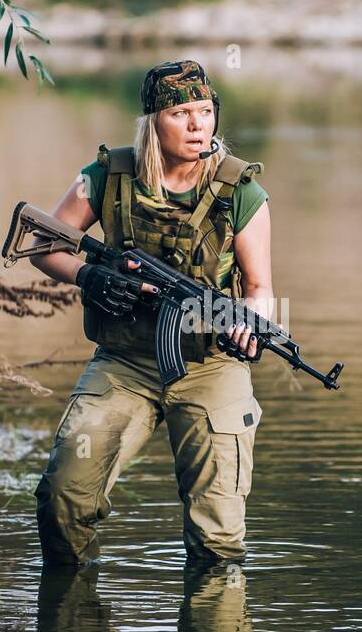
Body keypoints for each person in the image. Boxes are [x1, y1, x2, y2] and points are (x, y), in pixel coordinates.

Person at [30, 59, 274, 567]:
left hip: (212, 367)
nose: (196, 125)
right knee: (62, 500)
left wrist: (250, 326)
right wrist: (88, 276)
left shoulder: (241, 191)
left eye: (205, 111)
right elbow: (43, 245)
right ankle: (75, 623)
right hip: (123, 363)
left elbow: (259, 288)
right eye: (180, 113)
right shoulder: (107, 177)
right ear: (151, 122)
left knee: (218, 540)